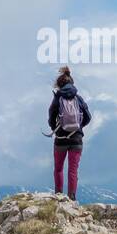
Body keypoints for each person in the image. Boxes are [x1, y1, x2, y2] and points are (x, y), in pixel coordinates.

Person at [48, 66, 91, 200]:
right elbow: (88, 117)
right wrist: (78, 127)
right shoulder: (78, 99)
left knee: (58, 168)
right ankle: (71, 197)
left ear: (59, 85)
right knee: (73, 170)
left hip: (60, 138)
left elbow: (51, 118)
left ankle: (59, 196)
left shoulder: (57, 99)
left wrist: (56, 129)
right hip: (77, 139)